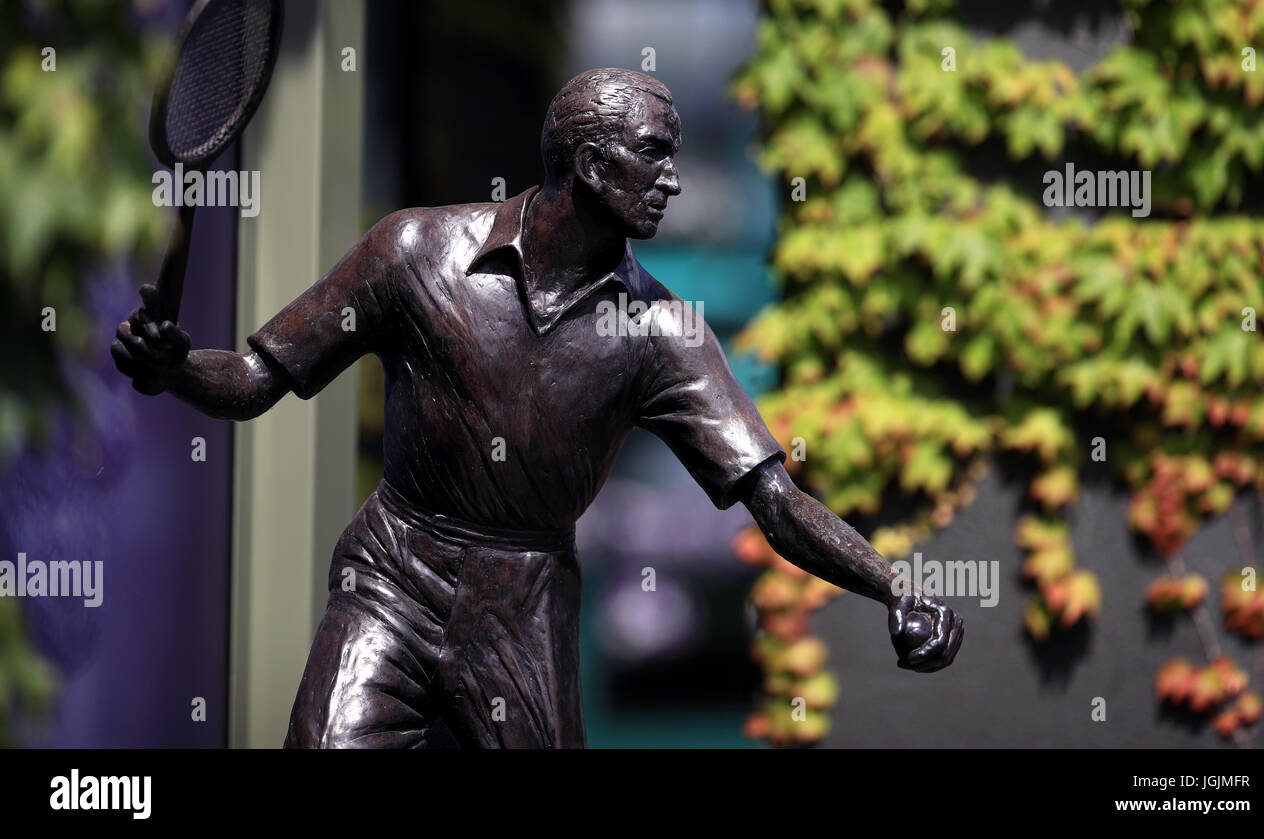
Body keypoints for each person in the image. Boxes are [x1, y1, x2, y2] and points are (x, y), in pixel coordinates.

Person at [112, 68, 963, 748]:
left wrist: (894, 588)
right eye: (654, 155)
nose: (674, 178)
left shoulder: (663, 333)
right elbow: (260, 377)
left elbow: (773, 502)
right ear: (592, 167)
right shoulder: (412, 252)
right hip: (390, 575)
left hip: (523, 606)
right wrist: (178, 368)